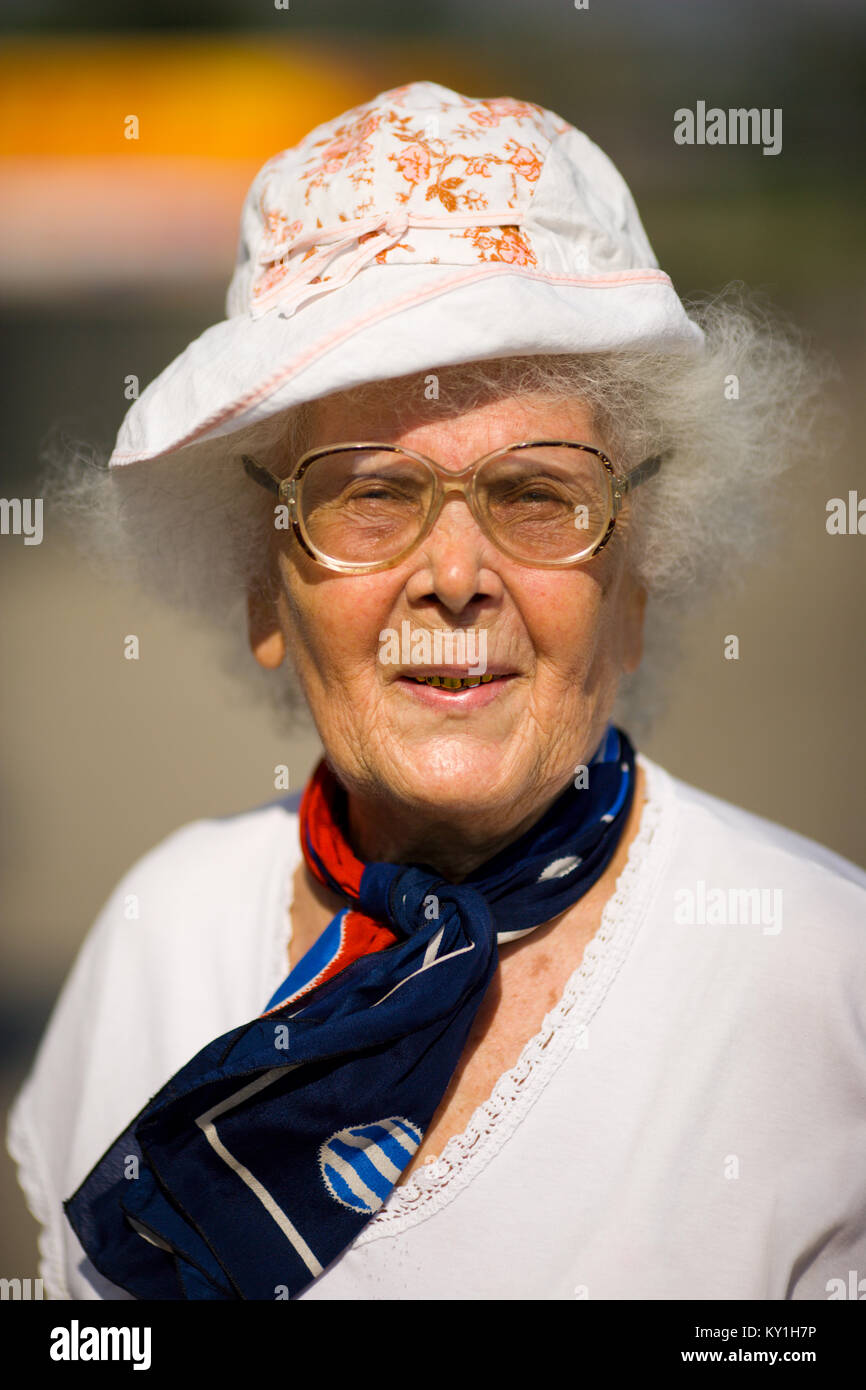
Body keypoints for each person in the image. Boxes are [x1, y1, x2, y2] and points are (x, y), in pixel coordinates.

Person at [8, 80, 865, 1301]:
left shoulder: (828, 990)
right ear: (262, 590)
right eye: (365, 492)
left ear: (635, 580)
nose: (454, 577)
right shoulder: (158, 937)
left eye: (534, 494)